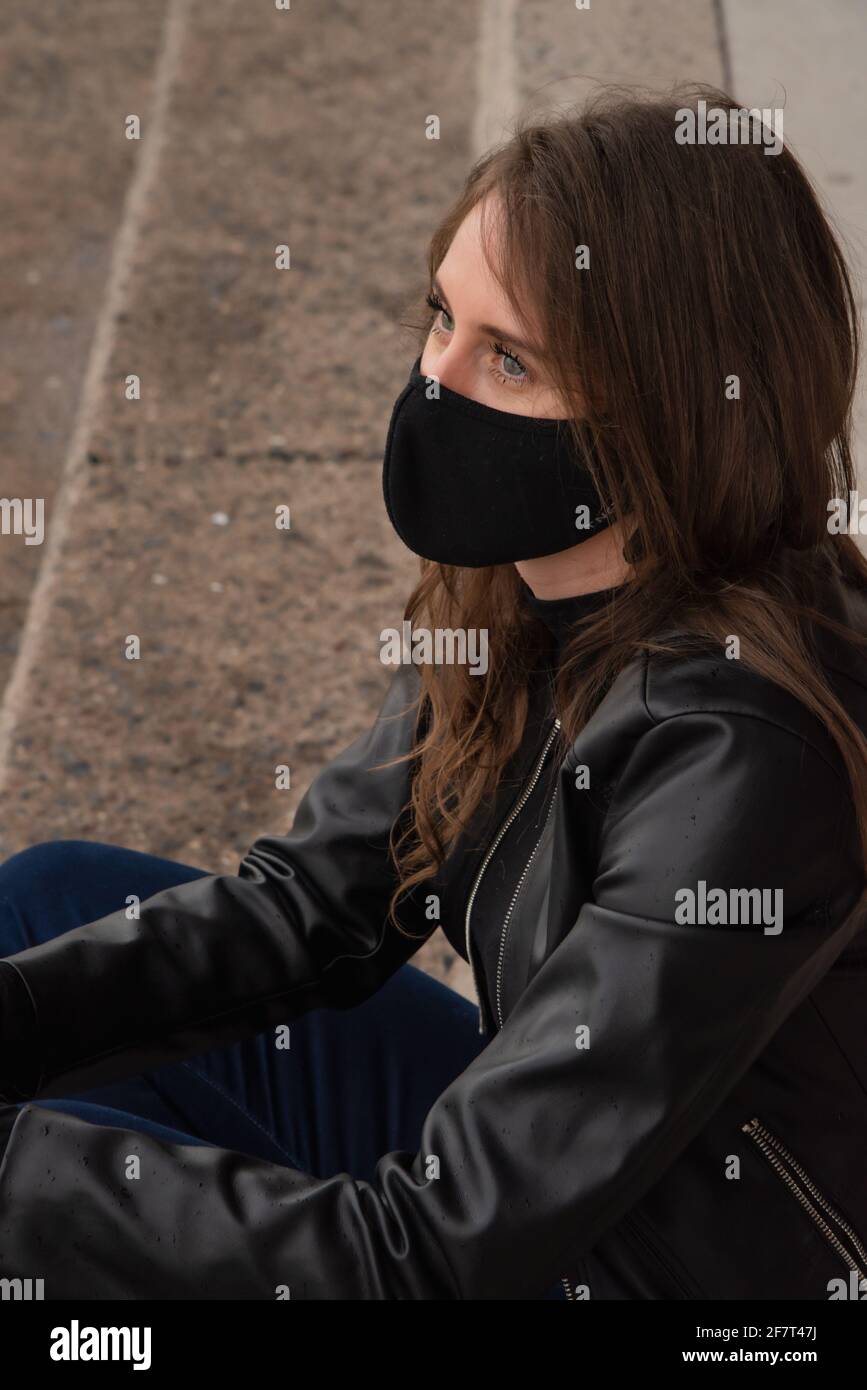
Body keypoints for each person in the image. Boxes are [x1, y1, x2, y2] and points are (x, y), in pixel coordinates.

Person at [1, 84, 866, 1301]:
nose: (435, 386)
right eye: (439, 319)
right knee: (41, 911)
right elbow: (312, 909)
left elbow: (425, 1258)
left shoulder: (746, 754)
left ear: (669, 419)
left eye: (507, 358)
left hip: (671, 1282)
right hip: (535, 1160)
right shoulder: (527, 583)